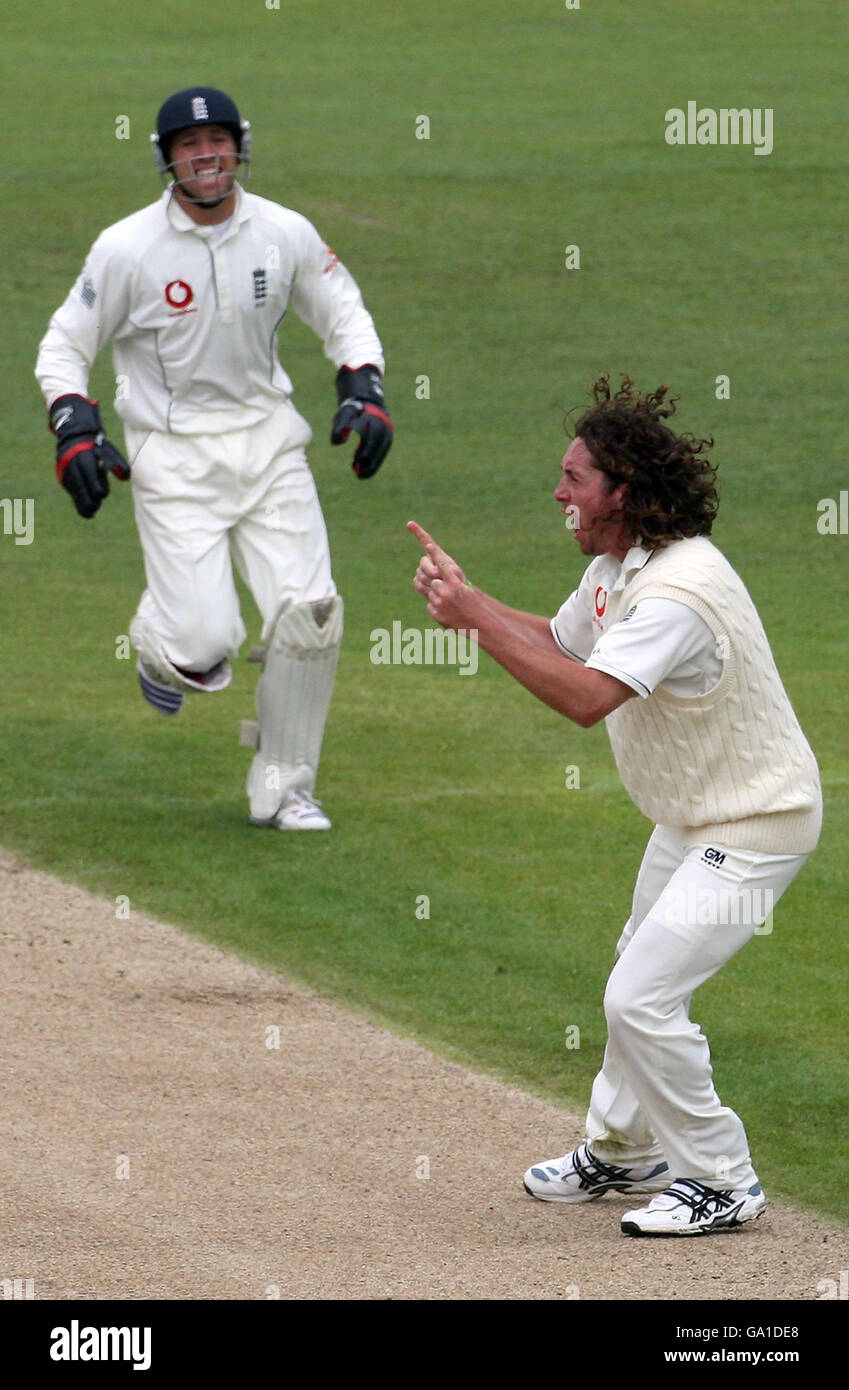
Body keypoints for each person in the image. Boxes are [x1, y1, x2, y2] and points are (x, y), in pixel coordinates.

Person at [408, 375, 822, 1236]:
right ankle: (625, 1153)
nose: (558, 494)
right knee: (637, 968)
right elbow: (559, 645)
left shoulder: (676, 590)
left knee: (640, 997)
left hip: (757, 826)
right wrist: (471, 604)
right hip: (694, 817)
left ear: (622, 491)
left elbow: (585, 697)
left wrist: (475, 619)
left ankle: (720, 1176)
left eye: (573, 479)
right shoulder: (617, 570)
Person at [35, 86, 393, 832]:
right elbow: (65, 345)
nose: (206, 156)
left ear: (240, 147)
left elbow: (344, 311)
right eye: (189, 145)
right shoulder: (127, 248)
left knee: (311, 616)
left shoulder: (282, 231)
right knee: (206, 648)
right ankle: (163, 634)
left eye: (218, 141)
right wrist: (74, 426)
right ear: (166, 160)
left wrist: (364, 387)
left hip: (269, 445)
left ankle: (285, 784)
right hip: (172, 458)